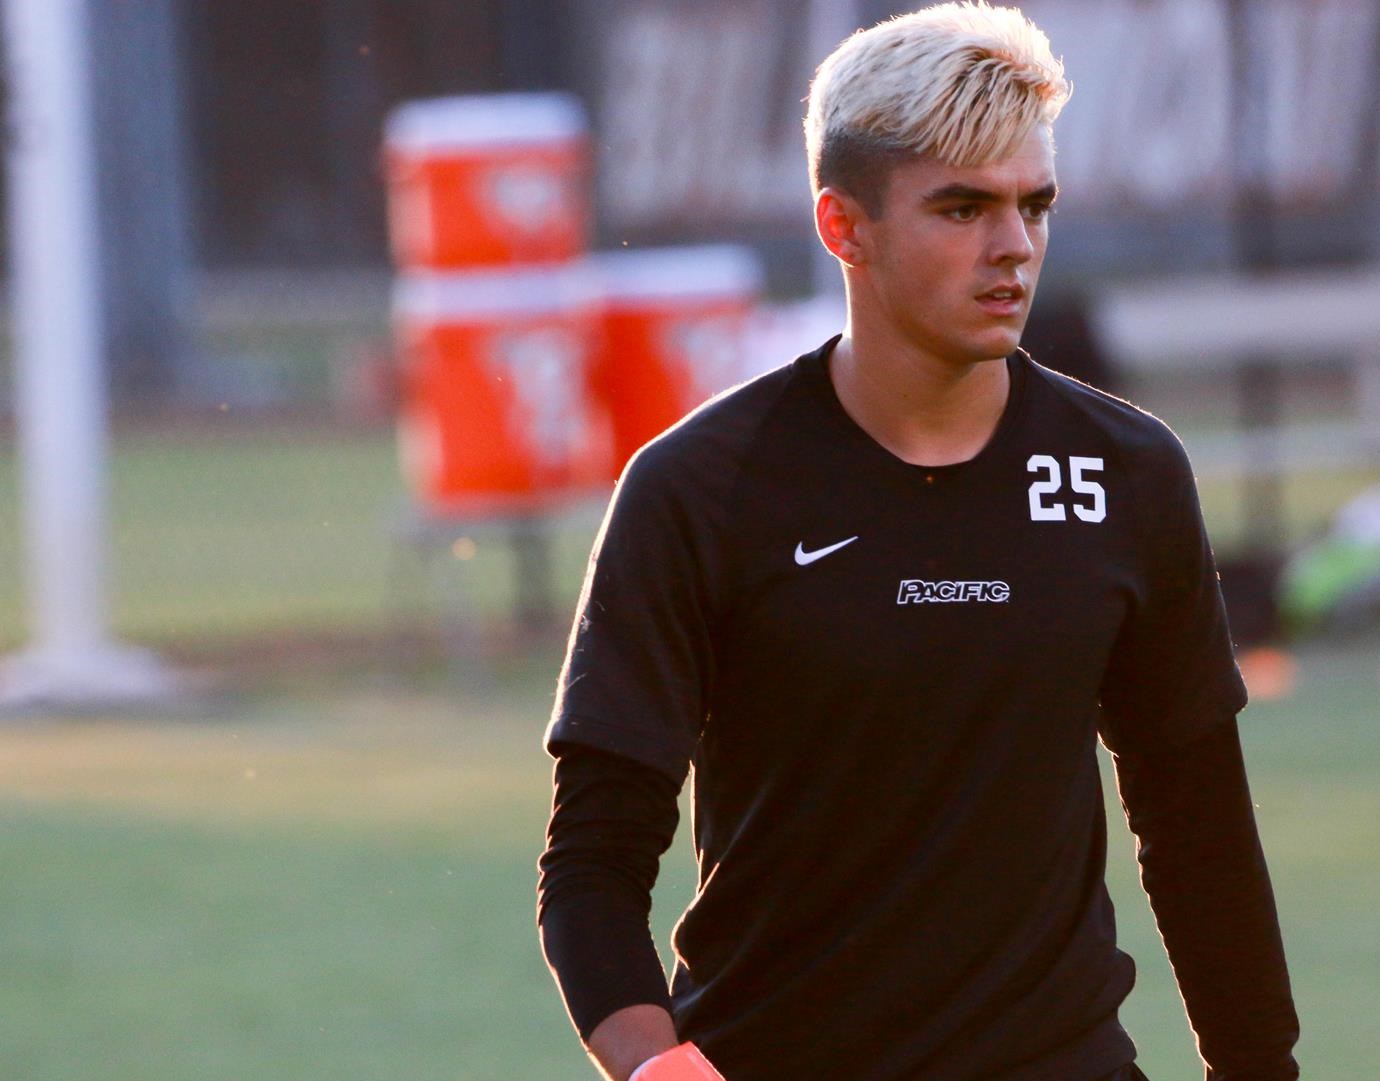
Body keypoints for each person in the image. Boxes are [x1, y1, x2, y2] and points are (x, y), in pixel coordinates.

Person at [536, 5, 1300, 1079]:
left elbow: (1198, 827)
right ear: (843, 227)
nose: (1014, 247)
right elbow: (593, 861)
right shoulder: (700, 489)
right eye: (962, 208)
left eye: (1034, 205)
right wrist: (657, 1067)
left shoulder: (1128, 473)